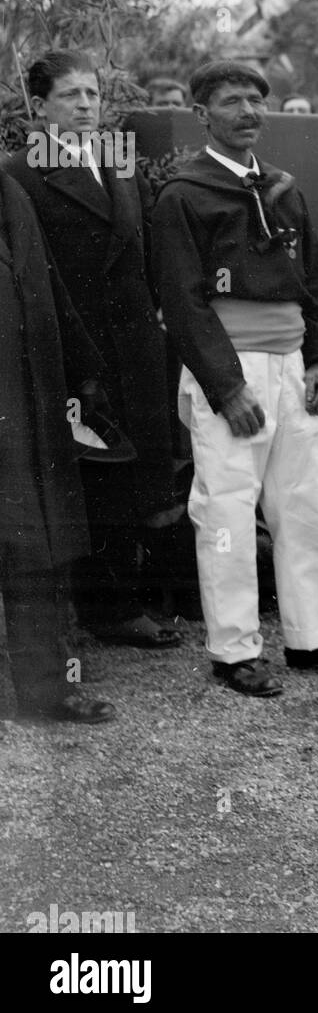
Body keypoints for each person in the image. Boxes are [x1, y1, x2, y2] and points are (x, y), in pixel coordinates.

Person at [150, 60, 318, 697]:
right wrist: (226, 387)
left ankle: (316, 635)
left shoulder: (284, 191)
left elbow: (316, 284)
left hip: (293, 366)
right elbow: (182, 303)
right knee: (226, 507)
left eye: (254, 100)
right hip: (231, 370)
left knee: (303, 502)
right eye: (231, 101)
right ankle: (234, 649)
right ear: (201, 115)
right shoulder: (183, 196)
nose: (248, 112)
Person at [7, 50, 181, 649]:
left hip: (135, 343)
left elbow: (145, 243)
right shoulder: (23, 174)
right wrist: (78, 363)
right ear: (39, 106)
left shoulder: (119, 160)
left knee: (139, 470)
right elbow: (38, 274)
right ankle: (108, 610)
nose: (85, 105)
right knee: (94, 478)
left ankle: (132, 597)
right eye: (70, 95)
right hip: (74, 348)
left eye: (92, 94)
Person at [0, 169, 117, 723]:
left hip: (26, 407)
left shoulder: (13, 192)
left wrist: (85, 372)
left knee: (33, 550)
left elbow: (46, 284)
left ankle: (47, 690)